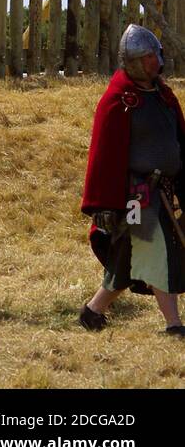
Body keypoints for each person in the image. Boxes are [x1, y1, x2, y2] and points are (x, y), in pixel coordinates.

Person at [80, 24, 185, 334]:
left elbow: (180, 141)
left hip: (162, 192)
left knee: (129, 256)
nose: (155, 61)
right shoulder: (118, 100)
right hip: (136, 195)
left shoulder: (163, 95)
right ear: (135, 61)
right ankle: (174, 324)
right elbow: (103, 155)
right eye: (148, 56)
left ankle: (93, 309)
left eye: (156, 54)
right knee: (157, 252)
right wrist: (105, 203)